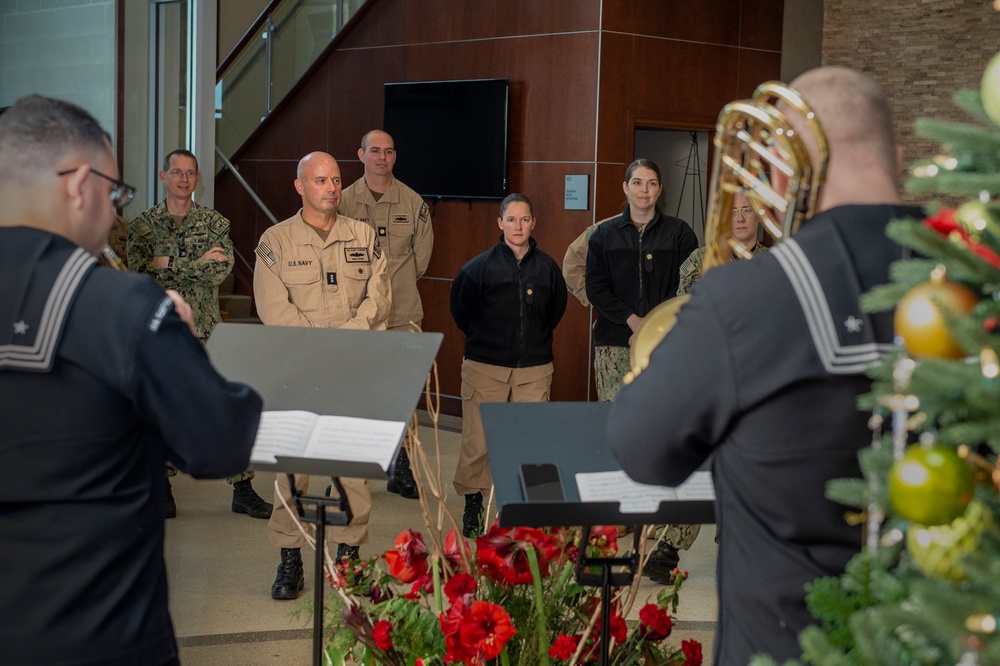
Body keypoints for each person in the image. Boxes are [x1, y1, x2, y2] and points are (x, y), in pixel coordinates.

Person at [607, 66, 922, 665]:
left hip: (783, 645)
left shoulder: (744, 297)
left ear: (782, 170)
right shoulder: (974, 280)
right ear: (899, 161)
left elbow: (640, 449)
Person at [0, 95, 262, 666]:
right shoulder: (121, 306)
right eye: (115, 194)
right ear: (78, 188)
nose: (116, 213)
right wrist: (176, 335)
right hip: (99, 631)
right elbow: (219, 443)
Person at [254, 151, 390, 600]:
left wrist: (348, 337)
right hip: (300, 371)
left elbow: (379, 299)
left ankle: (350, 554)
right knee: (293, 468)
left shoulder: (364, 235)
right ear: (300, 187)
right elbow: (274, 310)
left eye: (335, 180)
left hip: (352, 368)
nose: (331, 188)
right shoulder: (275, 241)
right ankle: (290, 557)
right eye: (320, 181)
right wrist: (322, 345)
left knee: (353, 467)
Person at [128, 149, 272, 520]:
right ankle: (162, 486)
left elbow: (219, 273)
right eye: (176, 172)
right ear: (163, 177)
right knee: (160, 407)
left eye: (190, 173)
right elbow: (139, 274)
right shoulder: (142, 226)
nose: (183, 179)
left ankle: (243, 489)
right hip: (159, 330)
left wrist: (170, 264)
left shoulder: (214, 223)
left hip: (207, 330)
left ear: (197, 178)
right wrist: (195, 264)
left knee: (224, 406)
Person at [643, 191, 771, 584]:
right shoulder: (700, 260)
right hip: (709, 375)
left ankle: (741, 542)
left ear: (759, 217)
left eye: (749, 211)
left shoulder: (776, 263)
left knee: (750, 463)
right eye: (735, 212)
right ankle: (669, 546)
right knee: (696, 459)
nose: (742, 218)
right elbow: (681, 313)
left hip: (757, 378)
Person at [450, 193, 568, 537]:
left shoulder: (547, 268)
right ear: (500, 223)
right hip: (485, 367)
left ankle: (529, 508)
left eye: (525, 219)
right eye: (511, 219)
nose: (518, 226)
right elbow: (462, 313)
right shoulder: (479, 268)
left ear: (533, 223)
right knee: (479, 441)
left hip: (534, 369)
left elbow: (555, 311)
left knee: (532, 439)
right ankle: (474, 501)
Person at [338, 129, 434, 500]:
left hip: (402, 312)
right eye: (374, 151)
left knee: (403, 393)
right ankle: (354, 469)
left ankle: (401, 466)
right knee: (356, 391)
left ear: (395, 156)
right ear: (360, 155)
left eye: (389, 151)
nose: (382, 157)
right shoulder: (343, 201)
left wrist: (395, 283)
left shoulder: (413, 202)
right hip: (357, 316)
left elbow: (421, 261)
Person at [585, 158, 698, 402]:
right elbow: (596, 288)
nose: (644, 190)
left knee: (663, 419)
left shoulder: (680, 233)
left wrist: (652, 324)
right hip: (614, 344)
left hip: (666, 342)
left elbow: (687, 286)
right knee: (613, 419)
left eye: (651, 183)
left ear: (660, 189)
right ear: (625, 187)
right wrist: (632, 320)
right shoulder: (603, 235)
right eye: (637, 183)